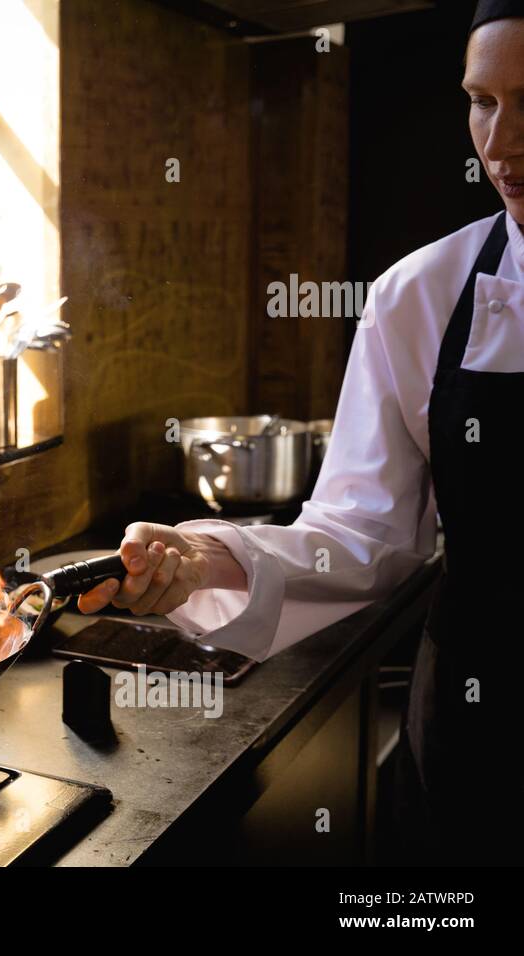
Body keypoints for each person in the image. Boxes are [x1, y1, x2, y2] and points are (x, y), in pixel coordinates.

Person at [77, 0, 524, 864]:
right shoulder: (419, 297)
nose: (502, 144)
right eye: (483, 101)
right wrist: (209, 559)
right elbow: (363, 532)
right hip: (477, 737)